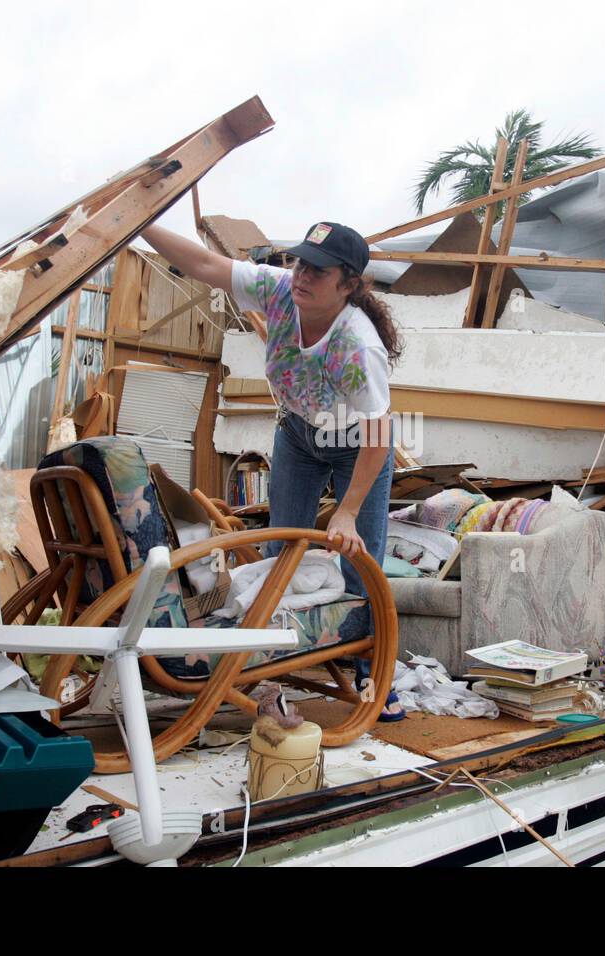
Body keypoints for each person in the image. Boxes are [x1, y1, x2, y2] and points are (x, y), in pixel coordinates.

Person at [142, 220, 405, 719]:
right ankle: (270, 657)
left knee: (360, 561)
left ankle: (375, 672)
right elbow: (204, 263)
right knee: (283, 547)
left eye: (319, 271)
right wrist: (141, 226)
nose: (302, 275)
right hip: (299, 434)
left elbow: (378, 435)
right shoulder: (279, 289)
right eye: (301, 263)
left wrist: (347, 512)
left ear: (348, 284)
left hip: (356, 443)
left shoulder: (357, 345)